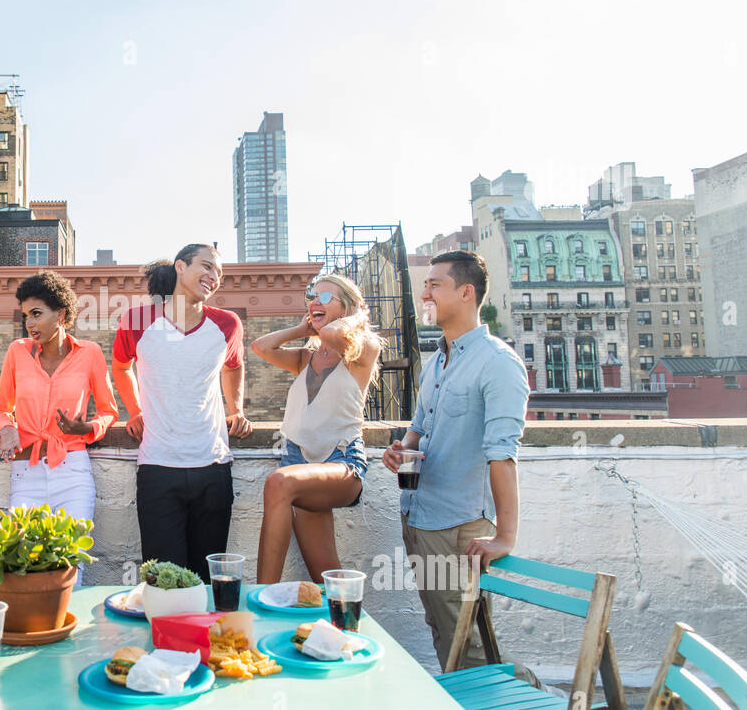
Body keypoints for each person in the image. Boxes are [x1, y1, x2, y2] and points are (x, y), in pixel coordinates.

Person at [381, 250, 529, 669]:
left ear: (466, 293)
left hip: (458, 525)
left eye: (434, 285)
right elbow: (421, 426)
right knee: (445, 630)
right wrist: (401, 451)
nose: (423, 293)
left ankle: (534, 706)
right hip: (420, 516)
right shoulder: (439, 359)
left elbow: (503, 454)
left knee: (468, 644)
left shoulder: (498, 363)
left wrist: (505, 536)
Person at [111, 243, 253, 581]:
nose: (213, 276)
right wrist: (135, 411)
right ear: (179, 267)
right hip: (158, 470)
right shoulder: (137, 320)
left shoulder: (228, 324)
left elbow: (234, 366)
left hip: (214, 469)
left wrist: (236, 409)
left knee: (205, 581)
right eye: (206, 266)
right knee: (164, 581)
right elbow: (119, 367)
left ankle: (204, 636)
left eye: (218, 273)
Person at [0, 271, 119, 585]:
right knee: (20, 561)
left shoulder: (89, 354)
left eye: (37, 314)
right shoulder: (17, 352)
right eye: (25, 316)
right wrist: (7, 428)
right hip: (26, 471)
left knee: (71, 564)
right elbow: (0, 408)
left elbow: (108, 412)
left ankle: (66, 632)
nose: (29, 324)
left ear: (60, 314)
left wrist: (85, 428)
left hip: (73, 471)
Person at [251, 274, 383, 584]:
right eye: (312, 297)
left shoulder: (363, 352)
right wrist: (301, 329)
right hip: (301, 465)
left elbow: (336, 336)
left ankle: (260, 598)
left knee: (279, 483)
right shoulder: (306, 358)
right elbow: (261, 346)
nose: (314, 302)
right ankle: (346, 628)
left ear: (349, 308)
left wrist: (358, 316)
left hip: (342, 462)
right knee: (327, 577)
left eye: (325, 298)